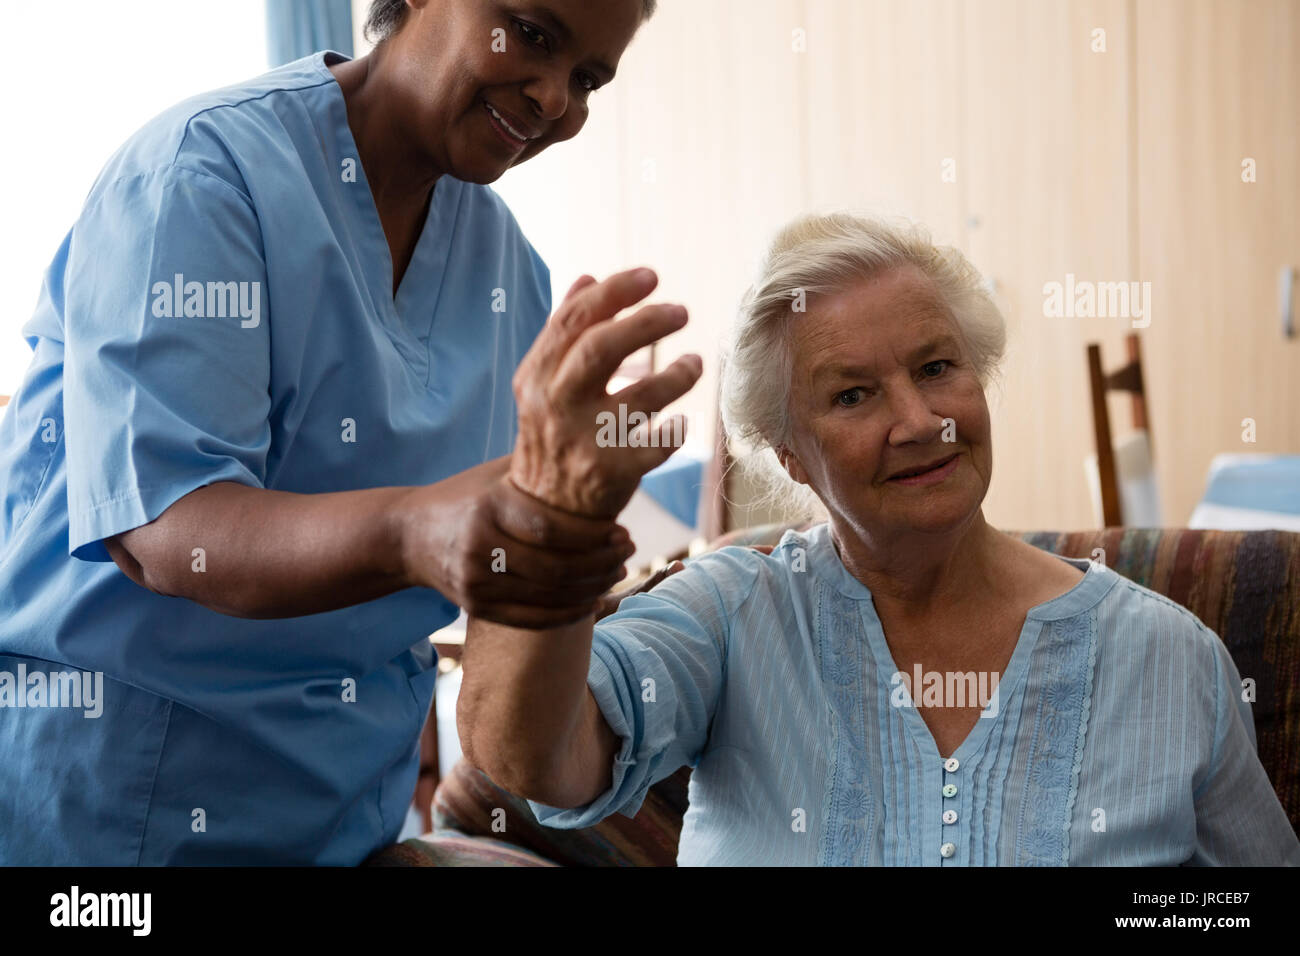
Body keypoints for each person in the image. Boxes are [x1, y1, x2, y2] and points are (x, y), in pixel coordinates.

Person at [0, 0, 695, 865]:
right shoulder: (204, 174)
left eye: (588, 78)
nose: (556, 98)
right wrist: (420, 532)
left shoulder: (509, 276)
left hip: (345, 819)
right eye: (533, 33)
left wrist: (554, 541)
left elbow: (494, 592)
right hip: (114, 805)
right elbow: (171, 534)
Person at [459, 212, 1300, 865]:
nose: (919, 421)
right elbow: (536, 757)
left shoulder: (1168, 657)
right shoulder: (731, 615)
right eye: (854, 395)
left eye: (937, 368)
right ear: (790, 451)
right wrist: (546, 523)